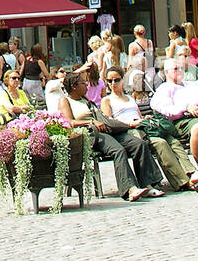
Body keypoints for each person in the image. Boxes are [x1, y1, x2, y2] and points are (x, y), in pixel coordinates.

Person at [56, 71, 165, 201]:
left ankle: (147, 184)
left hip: (104, 130)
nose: (87, 86)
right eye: (84, 83)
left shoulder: (85, 100)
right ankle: (130, 188)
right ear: (74, 86)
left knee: (138, 144)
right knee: (118, 150)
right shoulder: (65, 100)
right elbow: (69, 122)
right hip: (91, 135)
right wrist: (91, 122)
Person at [106, 71, 198, 193]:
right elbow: (110, 124)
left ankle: (192, 173)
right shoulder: (107, 100)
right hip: (131, 131)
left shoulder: (130, 98)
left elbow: (138, 115)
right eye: (109, 81)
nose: (113, 83)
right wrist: (131, 124)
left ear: (122, 80)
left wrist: (144, 119)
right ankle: (184, 182)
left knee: (172, 141)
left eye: (116, 80)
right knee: (161, 144)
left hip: (144, 126)